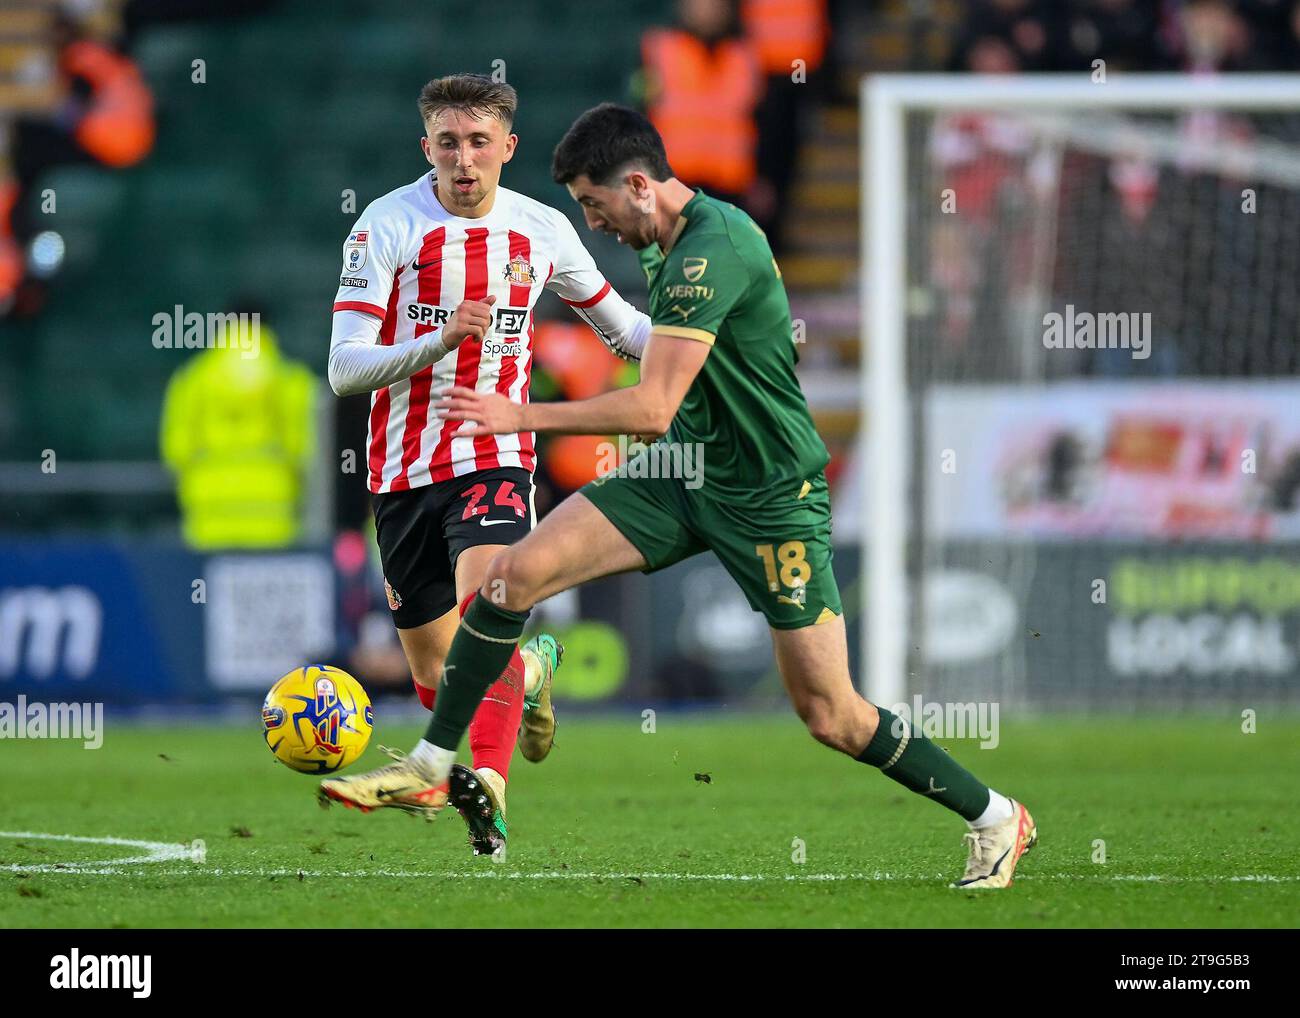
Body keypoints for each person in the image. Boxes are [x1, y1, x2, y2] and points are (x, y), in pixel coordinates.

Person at [320, 104, 1037, 889]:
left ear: (637, 185)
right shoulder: (662, 245)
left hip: (770, 497)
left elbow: (650, 407)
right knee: (509, 579)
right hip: (682, 476)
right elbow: (647, 365)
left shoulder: (713, 249)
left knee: (831, 714)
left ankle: (995, 814)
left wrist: (520, 413)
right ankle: (432, 761)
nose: (591, 224)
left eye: (595, 205)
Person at [322, 77, 653, 856]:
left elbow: (624, 329)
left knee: (488, 603)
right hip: (401, 469)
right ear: (426, 147)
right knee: (440, 671)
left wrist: (710, 348)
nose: (463, 161)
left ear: (507, 147)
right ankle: (531, 674)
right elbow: (343, 368)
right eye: (447, 142)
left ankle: (491, 794)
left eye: (479, 143)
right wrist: (436, 342)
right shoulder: (386, 225)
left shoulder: (541, 229)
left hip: (496, 450)